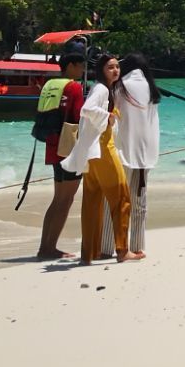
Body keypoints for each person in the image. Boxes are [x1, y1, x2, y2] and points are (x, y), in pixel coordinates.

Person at [61, 54, 132, 264]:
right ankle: (122, 250)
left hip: (92, 152)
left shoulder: (100, 88)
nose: (115, 70)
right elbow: (87, 109)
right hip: (102, 150)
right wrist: (108, 116)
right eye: (110, 67)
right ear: (102, 70)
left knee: (92, 201)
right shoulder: (101, 89)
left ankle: (89, 253)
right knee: (121, 197)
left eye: (117, 67)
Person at [34, 41, 89, 261]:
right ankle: (49, 248)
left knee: (57, 199)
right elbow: (78, 119)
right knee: (66, 200)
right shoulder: (74, 87)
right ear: (72, 65)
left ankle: (44, 246)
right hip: (69, 148)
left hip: (52, 146)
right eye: (82, 65)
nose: (84, 70)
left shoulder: (50, 84)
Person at [116, 54, 160, 260]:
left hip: (122, 150)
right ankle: (138, 245)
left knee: (117, 201)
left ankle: (111, 246)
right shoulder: (152, 90)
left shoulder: (120, 87)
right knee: (139, 201)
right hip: (146, 153)